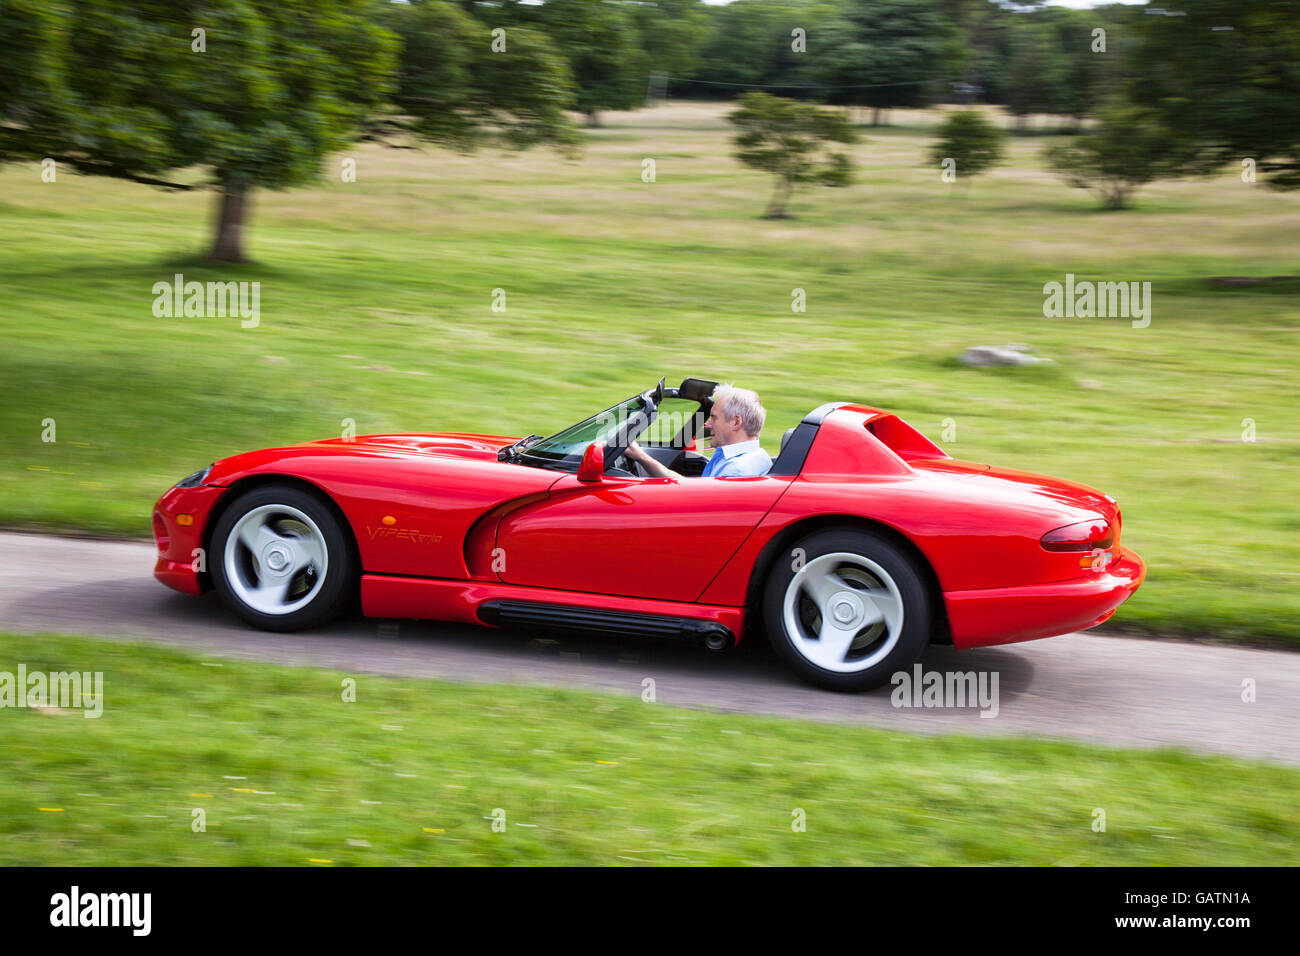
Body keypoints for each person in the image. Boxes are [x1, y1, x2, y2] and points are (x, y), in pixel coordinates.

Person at [626, 383, 772, 479]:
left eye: (714, 418)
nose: (708, 424)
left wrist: (641, 457)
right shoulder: (758, 456)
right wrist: (641, 456)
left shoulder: (734, 471)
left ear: (736, 422)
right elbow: (692, 488)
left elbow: (693, 498)